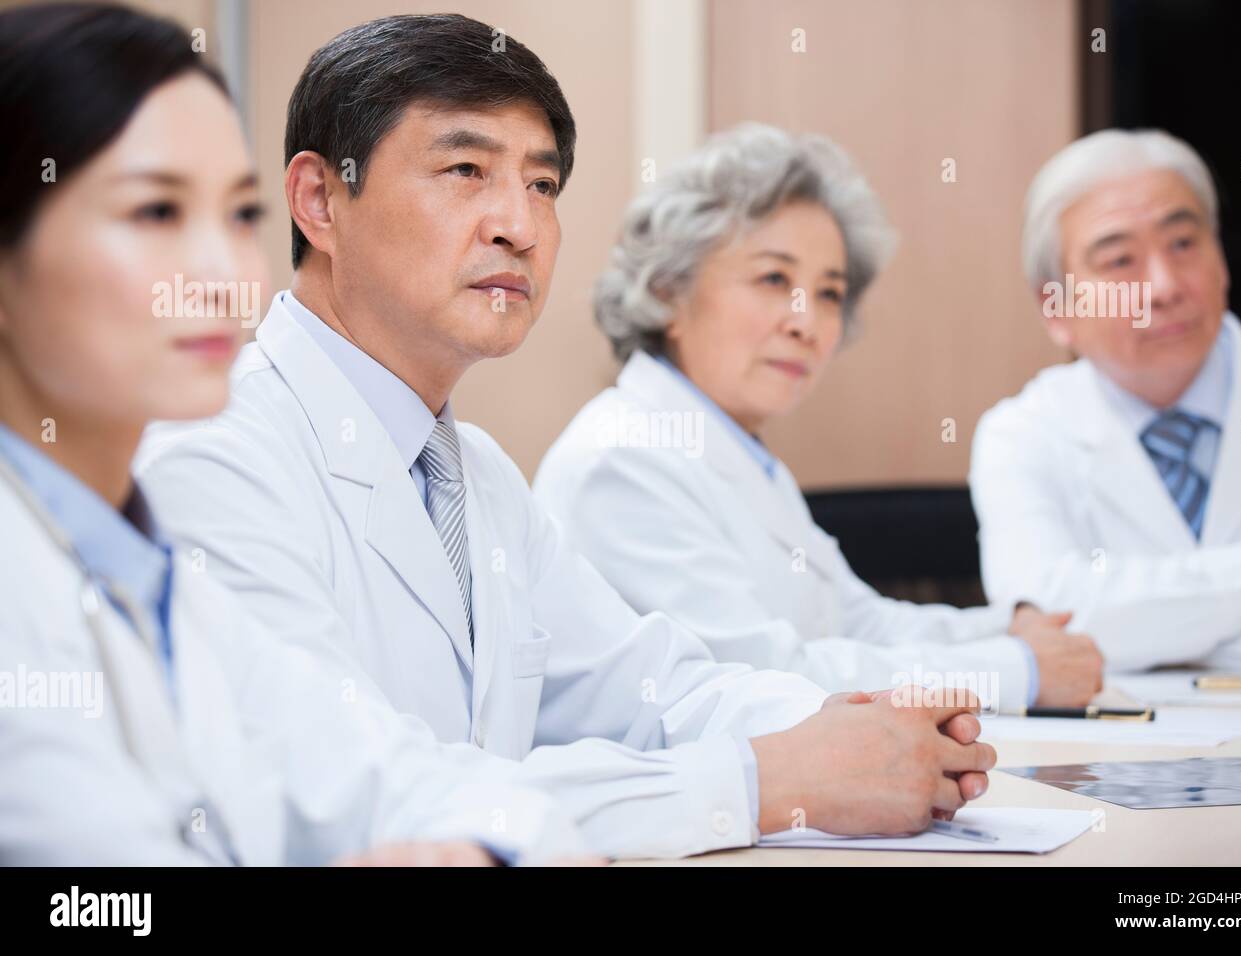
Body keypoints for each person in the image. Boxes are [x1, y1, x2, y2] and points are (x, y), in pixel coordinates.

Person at [137, 14, 996, 859]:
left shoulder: (477, 474)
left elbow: (655, 689)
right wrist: (760, 779)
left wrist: (865, 727)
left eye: (542, 185)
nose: (519, 223)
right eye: (466, 169)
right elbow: (350, 797)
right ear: (320, 201)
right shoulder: (214, 458)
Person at [0, 1, 589, 866]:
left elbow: (391, 777)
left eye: (238, 218)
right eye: (156, 212)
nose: (219, 271)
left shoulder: (159, 583)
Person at [534, 123, 1103, 713]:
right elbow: (766, 677)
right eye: (774, 278)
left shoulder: (740, 454)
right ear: (669, 293)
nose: (807, 322)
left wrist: (1014, 632)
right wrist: (1017, 671)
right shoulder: (622, 460)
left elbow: (858, 622)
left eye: (828, 293)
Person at [970, 129, 1241, 673]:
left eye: (1184, 244)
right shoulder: (1020, 434)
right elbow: (1057, 627)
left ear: (1221, 260)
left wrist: (1141, 627)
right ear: (1055, 309)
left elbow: (1092, 629)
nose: (1165, 286)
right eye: (1121, 260)